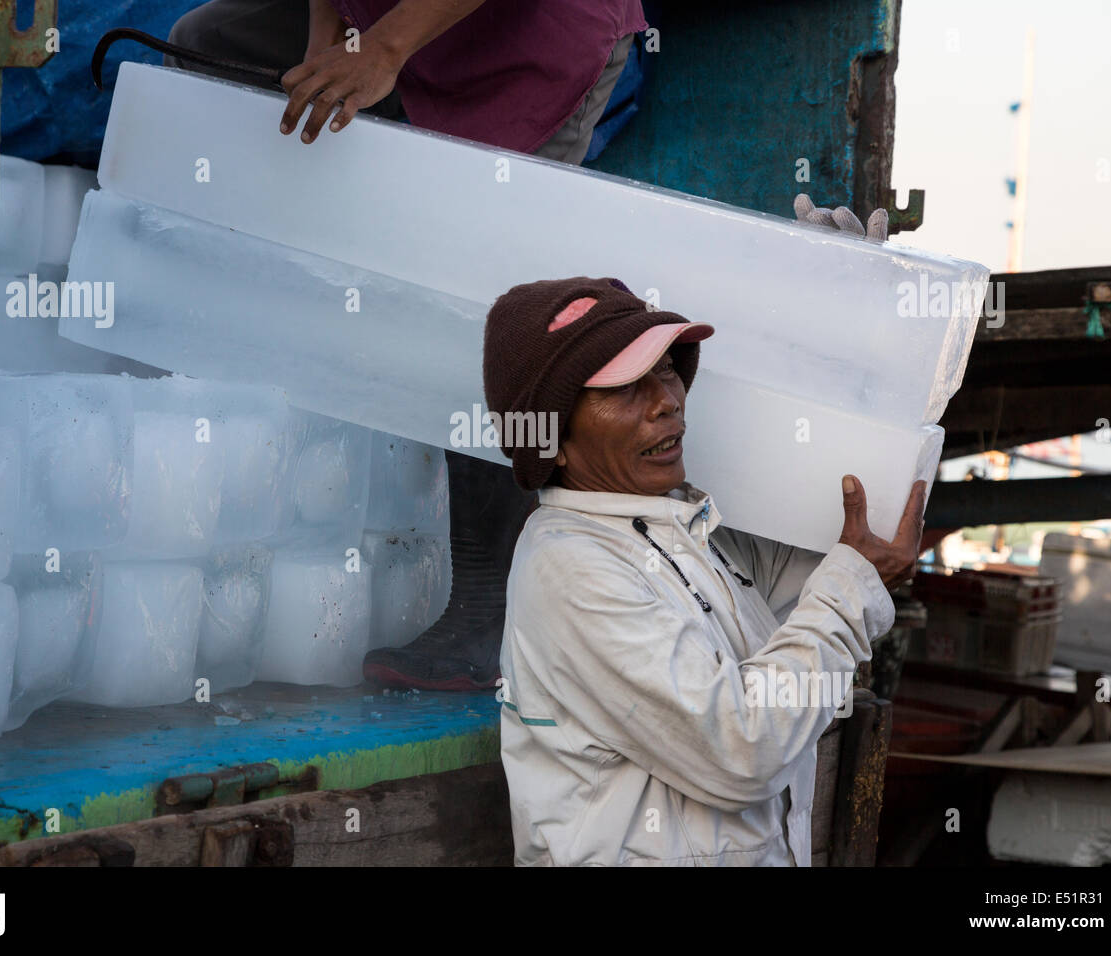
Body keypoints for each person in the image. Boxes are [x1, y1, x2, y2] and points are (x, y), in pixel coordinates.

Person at [165, 0, 648, 689]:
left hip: (529, 40)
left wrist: (382, 51)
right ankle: (226, 344)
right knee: (206, 45)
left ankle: (488, 603)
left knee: (488, 293)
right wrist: (328, 40)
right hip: (395, 29)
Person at [481, 275, 925, 865]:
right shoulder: (570, 567)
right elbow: (743, 747)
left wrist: (845, 330)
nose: (666, 399)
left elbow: (846, 548)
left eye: (666, 369)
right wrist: (850, 587)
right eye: (624, 386)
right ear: (551, 439)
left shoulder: (685, 531)